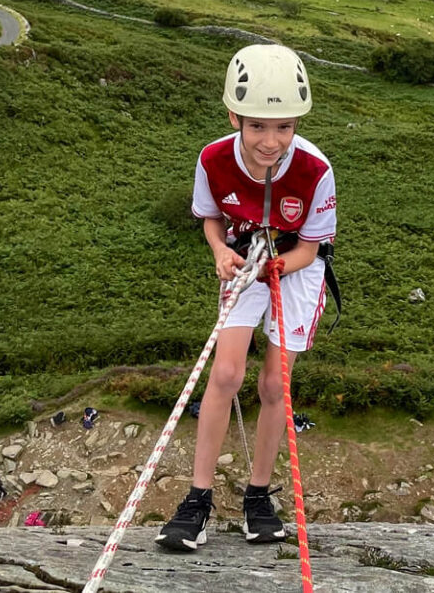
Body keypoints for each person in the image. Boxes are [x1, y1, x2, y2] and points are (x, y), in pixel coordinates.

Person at [157, 44, 336, 554]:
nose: (270, 141)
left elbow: (310, 247)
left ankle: (258, 495)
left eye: (284, 127)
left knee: (275, 383)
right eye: (257, 125)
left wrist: (277, 267)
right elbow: (212, 218)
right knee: (225, 375)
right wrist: (219, 251)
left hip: (294, 266)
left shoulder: (315, 169)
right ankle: (198, 499)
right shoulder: (213, 159)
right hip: (242, 257)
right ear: (234, 116)